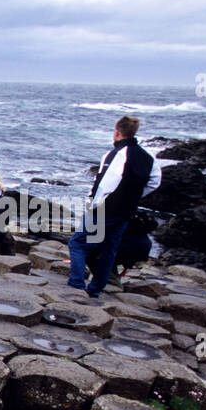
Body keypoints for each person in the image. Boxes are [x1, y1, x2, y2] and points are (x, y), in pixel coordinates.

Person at [67, 115, 161, 298]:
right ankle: (95, 289)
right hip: (127, 210)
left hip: (105, 208)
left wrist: (93, 204)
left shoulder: (114, 155)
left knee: (77, 243)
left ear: (117, 132)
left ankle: (76, 284)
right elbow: (155, 182)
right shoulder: (148, 158)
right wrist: (135, 196)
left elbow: (106, 183)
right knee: (109, 248)